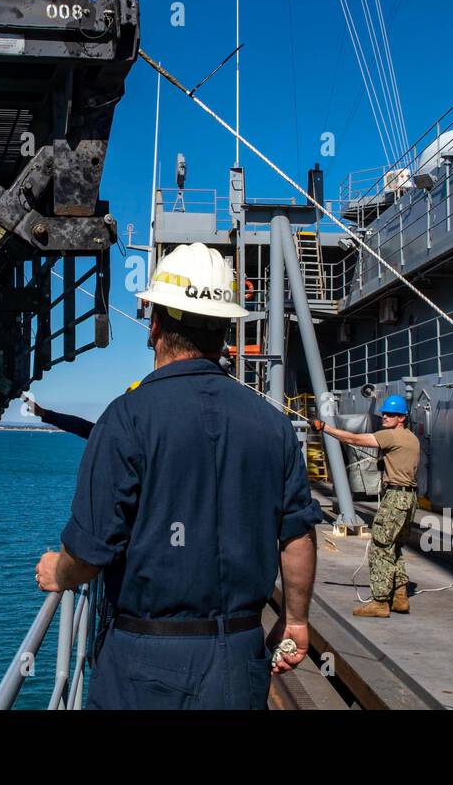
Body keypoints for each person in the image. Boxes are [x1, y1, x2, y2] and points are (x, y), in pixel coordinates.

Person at [34, 242, 324, 709]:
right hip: (239, 658)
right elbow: (297, 535)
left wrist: (58, 572)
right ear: (226, 329)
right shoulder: (272, 424)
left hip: (143, 665)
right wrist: (295, 621)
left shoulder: (126, 418)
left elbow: (89, 554)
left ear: (155, 326)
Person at [312, 395, 420, 616]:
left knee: (380, 548)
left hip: (395, 499)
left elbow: (354, 439)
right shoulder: (412, 438)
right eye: (384, 414)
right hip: (410, 500)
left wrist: (325, 428)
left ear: (401, 418)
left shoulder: (391, 435)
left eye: (390, 414)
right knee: (395, 547)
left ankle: (380, 602)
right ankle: (400, 596)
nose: (384, 417)